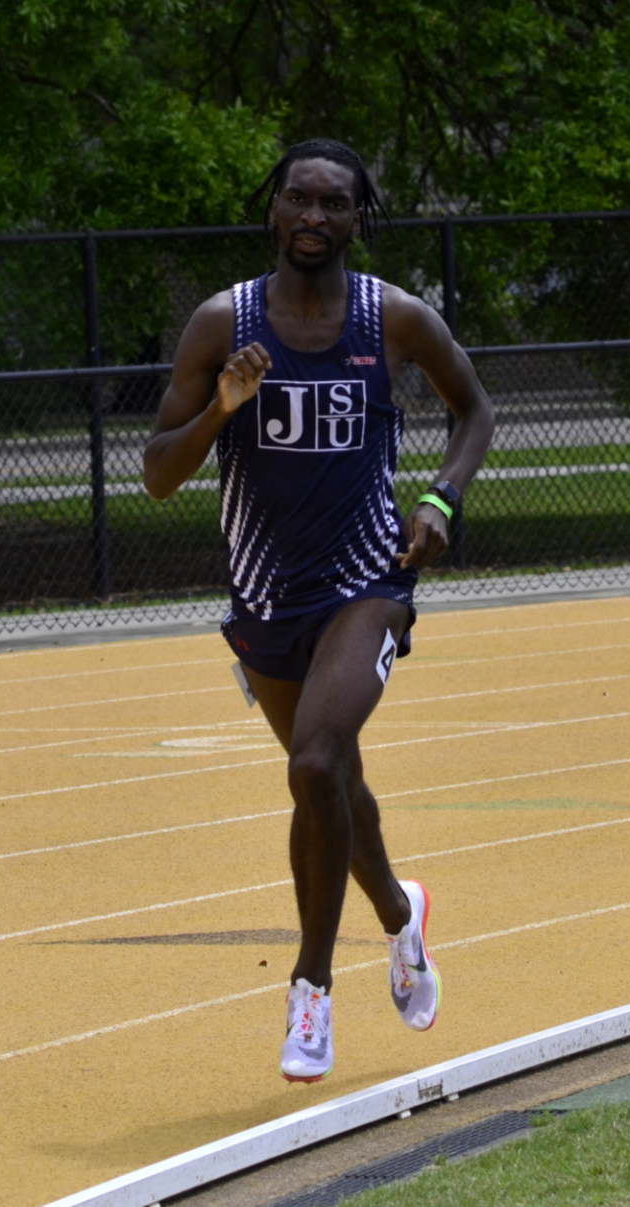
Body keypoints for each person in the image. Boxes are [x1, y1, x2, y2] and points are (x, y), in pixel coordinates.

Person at [143, 139, 494, 1082]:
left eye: (332, 204)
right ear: (274, 210)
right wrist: (221, 408)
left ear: (356, 218)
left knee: (316, 758)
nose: (312, 216)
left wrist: (441, 501)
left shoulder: (394, 318)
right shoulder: (224, 323)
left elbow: (475, 412)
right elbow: (157, 476)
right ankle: (398, 915)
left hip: (368, 579)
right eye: (297, 198)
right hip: (265, 591)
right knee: (329, 783)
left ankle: (310, 990)